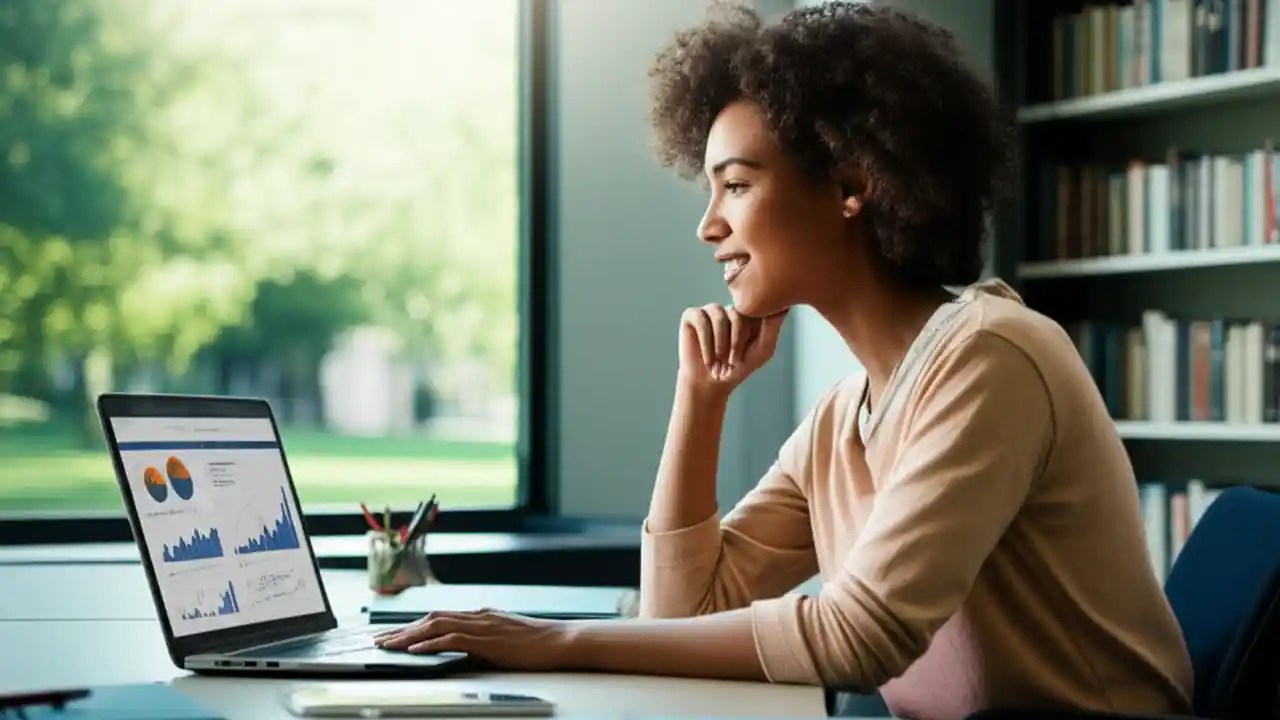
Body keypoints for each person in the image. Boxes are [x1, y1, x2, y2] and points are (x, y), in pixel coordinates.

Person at [376, 3, 1194, 717]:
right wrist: (701, 400)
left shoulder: (992, 356)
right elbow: (682, 613)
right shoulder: (846, 416)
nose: (708, 226)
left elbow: (860, 637)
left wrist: (560, 643)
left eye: (735, 185)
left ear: (850, 183)